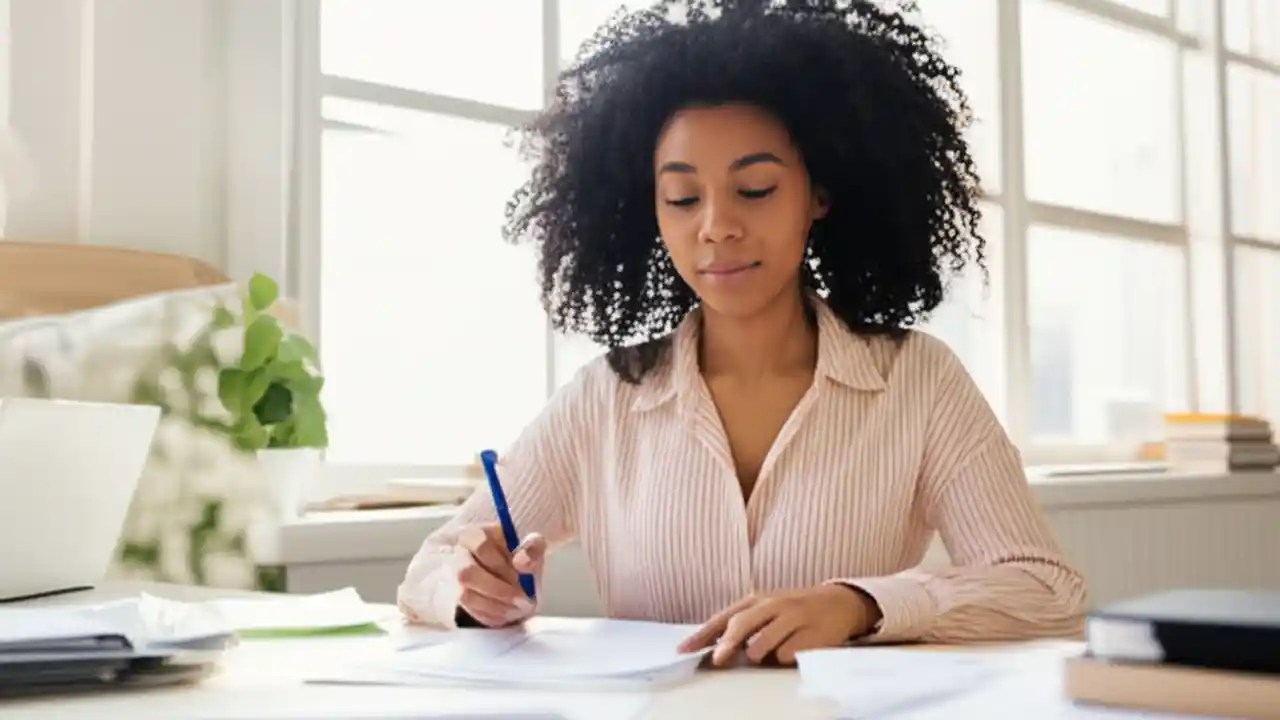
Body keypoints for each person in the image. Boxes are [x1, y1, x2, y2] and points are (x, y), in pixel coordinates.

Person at [398, 0, 1086, 666]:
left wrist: (859, 606)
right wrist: (471, 591)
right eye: (683, 198)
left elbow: (1045, 589)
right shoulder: (604, 399)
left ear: (818, 194)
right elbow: (431, 569)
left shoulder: (919, 381)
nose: (717, 226)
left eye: (754, 190)